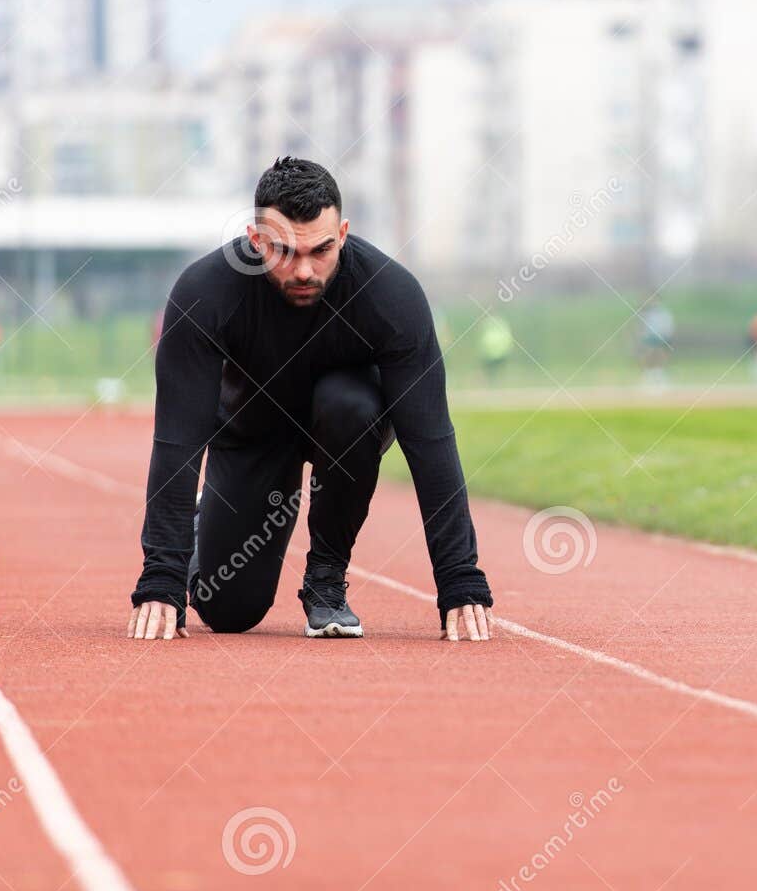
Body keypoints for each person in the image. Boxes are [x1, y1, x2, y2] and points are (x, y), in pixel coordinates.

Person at [125, 157, 494, 644]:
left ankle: (325, 577)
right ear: (256, 240)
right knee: (228, 609)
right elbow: (178, 442)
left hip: (348, 424)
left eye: (320, 250)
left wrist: (459, 579)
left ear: (342, 233)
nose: (304, 270)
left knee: (350, 404)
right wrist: (163, 579)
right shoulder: (205, 294)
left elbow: (430, 440)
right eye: (284, 251)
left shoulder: (392, 296)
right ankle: (204, 526)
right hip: (252, 432)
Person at [637, 301, 675, 387]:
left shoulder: (664, 313)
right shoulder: (647, 314)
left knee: (660, 354)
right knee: (647, 354)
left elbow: (668, 327)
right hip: (650, 337)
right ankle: (648, 375)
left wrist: (665, 338)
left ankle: (659, 374)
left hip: (661, 337)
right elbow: (643, 327)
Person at [478, 313, 513, 384]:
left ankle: (496, 383)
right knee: (493, 372)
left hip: (495, 351)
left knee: (494, 372)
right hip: (494, 351)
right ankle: (494, 384)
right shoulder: (500, 322)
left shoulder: (487, 323)